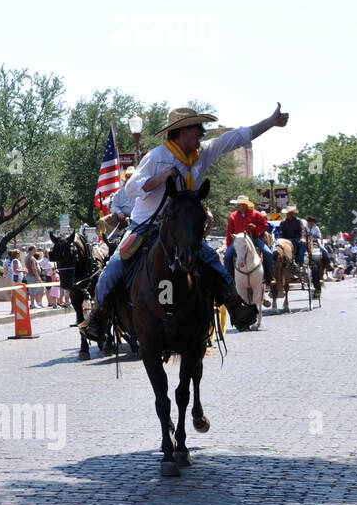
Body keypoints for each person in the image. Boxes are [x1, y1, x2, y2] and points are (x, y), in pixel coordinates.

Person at [82, 104, 288, 336]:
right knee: (115, 265)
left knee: (211, 259)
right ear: (181, 132)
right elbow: (131, 188)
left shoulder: (204, 152)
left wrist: (270, 122)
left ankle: (235, 306)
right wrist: (159, 178)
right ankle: (98, 317)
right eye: (197, 127)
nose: (202, 131)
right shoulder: (157, 156)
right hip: (146, 225)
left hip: (181, 229)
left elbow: (236, 137)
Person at [222, 195, 274, 283]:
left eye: (239, 204)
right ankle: (230, 278)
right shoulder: (233, 216)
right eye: (237, 204)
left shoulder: (256, 214)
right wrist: (228, 245)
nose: (237, 206)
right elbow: (229, 233)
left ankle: (269, 276)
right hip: (238, 240)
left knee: (268, 253)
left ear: (245, 205)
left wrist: (255, 227)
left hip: (253, 238)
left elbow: (265, 227)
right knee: (227, 257)